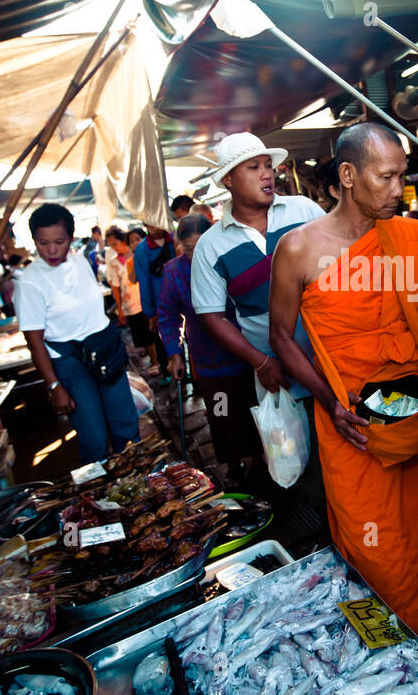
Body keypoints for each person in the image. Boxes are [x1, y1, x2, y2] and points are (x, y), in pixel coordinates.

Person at [270, 122, 418, 634]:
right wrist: (328, 402)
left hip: (414, 411)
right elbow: (280, 338)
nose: (397, 190)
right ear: (348, 175)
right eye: (385, 177)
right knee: (372, 535)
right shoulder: (299, 250)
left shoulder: (408, 235)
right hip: (350, 421)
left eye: (402, 176)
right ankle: (393, 646)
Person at [191, 131, 326, 498]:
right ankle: (321, 531)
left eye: (269, 165)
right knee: (297, 457)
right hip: (276, 374)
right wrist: (261, 363)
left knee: (344, 443)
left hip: (330, 356)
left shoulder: (304, 211)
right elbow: (212, 316)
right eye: (254, 167)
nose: (267, 173)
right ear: (229, 179)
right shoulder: (211, 245)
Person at [18, 204, 140, 465]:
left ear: (71, 238)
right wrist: (54, 386)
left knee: (126, 428)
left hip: (104, 351)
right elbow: (34, 342)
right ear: (34, 241)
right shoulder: (30, 281)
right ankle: (100, 500)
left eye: (59, 242)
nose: (51, 250)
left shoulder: (80, 260)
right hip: (70, 363)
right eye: (43, 243)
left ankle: (138, 489)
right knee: (94, 438)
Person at [158, 214, 262, 473]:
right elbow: (167, 316)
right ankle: (234, 463)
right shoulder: (174, 272)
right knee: (221, 412)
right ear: (180, 246)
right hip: (208, 361)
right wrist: (174, 354)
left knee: (250, 408)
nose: (197, 254)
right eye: (190, 249)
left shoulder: (231, 260)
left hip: (244, 350)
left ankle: (260, 458)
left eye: (202, 244)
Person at [130, 223, 175, 376]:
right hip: (160, 305)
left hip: (182, 300)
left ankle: (192, 379)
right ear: (145, 224)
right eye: (150, 223)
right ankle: (168, 377)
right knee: (163, 343)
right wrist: (150, 313)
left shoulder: (175, 241)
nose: (154, 226)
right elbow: (144, 283)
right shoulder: (142, 250)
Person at [103, 226, 143, 331]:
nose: (114, 248)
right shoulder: (113, 263)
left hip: (145, 300)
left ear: (122, 240)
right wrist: (120, 310)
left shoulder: (136, 252)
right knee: (141, 338)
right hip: (130, 306)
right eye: (111, 246)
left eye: (115, 244)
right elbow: (115, 287)